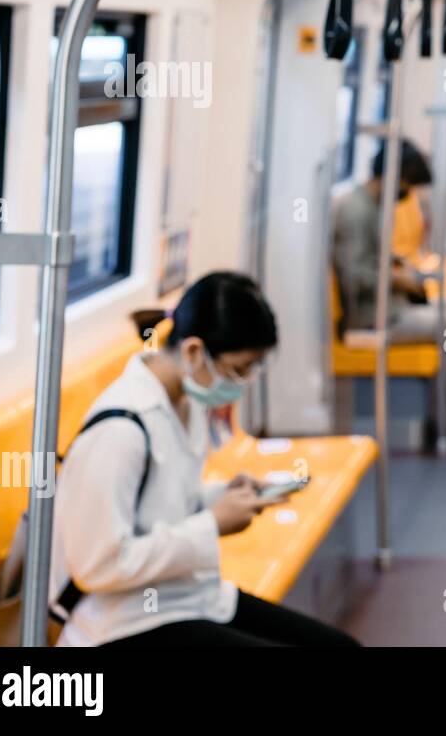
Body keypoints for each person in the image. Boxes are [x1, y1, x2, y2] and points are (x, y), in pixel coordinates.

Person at [49, 272, 359, 646]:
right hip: (123, 622)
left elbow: (162, 508)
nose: (241, 383)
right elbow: (98, 566)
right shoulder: (120, 430)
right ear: (194, 351)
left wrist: (224, 496)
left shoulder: (186, 402)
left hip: (188, 597)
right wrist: (212, 524)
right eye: (238, 370)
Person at [332, 140, 446, 448]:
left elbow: (372, 260)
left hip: (393, 305)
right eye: (409, 185)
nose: (409, 193)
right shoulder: (354, 212)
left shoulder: (372, 205)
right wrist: (399, 281)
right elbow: (353, 276)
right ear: (396, 177)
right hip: (375, 318)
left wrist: (399, 268)